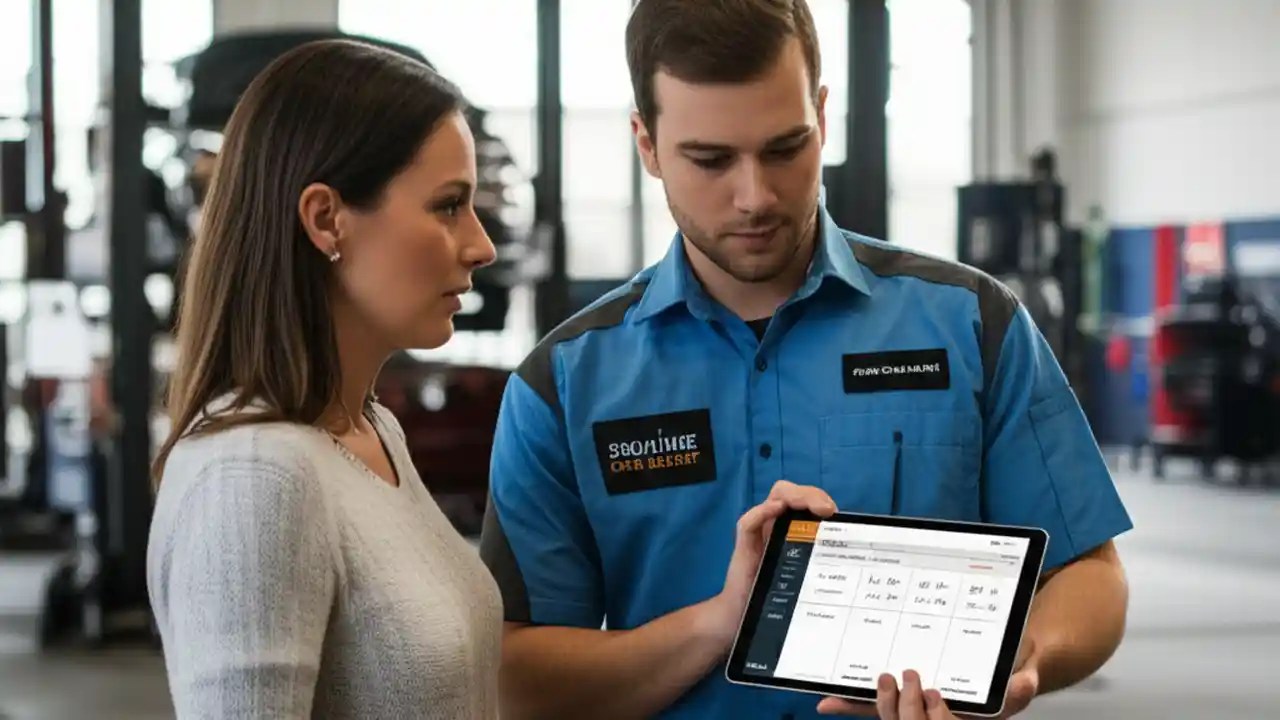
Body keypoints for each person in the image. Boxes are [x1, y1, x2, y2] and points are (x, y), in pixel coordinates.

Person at [479, 1, 1131, 719]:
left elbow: (1088, 575)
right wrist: (721, 624)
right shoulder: (566, 385)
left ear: (822, 117)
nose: (755, 196)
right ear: (647, 143)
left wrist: (1018, 664)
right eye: (711, 159)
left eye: (785, 148)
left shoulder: (971, 325)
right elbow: (519, 677)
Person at [146, 39, 501, 719]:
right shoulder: (253, 476)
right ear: (325, 218)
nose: (480, 244)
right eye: (448, 205)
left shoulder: (371, 430)